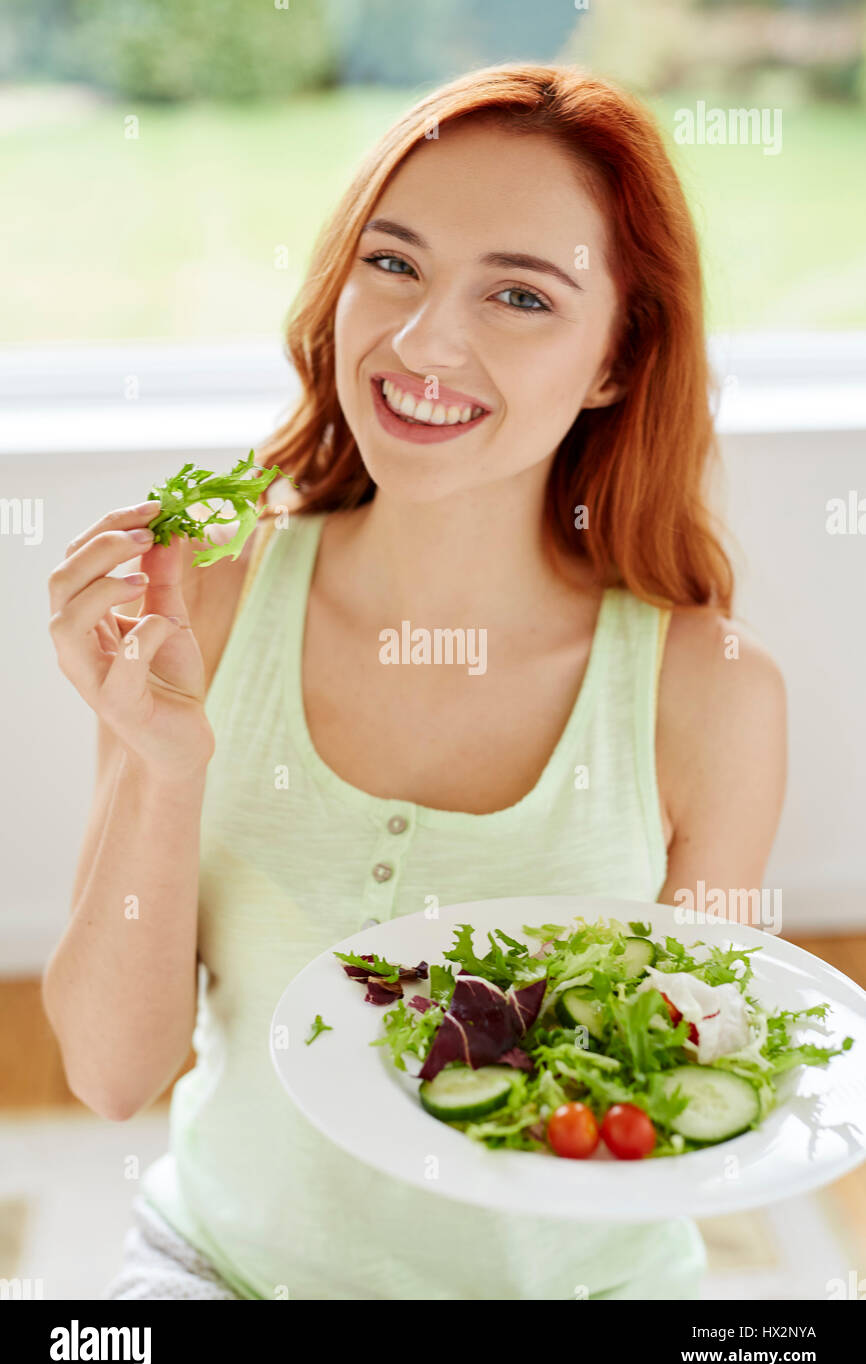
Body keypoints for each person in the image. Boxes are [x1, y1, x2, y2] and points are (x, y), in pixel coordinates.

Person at [44, 63, 786, 1300]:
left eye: (519, 294)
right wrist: (161, 766)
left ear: (616, 359)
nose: (422, 342)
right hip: (221, 1271)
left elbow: (679, 1093)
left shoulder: (708, 693)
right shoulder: (205, 600)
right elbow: (111, 1077)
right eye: (392, 264)